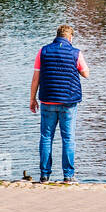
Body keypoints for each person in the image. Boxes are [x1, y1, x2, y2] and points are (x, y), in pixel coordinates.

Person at [28, 24, 88, 183]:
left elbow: (36, 79)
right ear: (70, 37)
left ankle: (44, 175)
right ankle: (68, 176)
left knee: (46, 137)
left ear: (57, 36)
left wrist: (32, 99)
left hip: (47, 99)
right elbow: (86, 73)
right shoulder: (75, 53)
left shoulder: (43, 51)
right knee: (68, 138)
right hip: (68, 102)